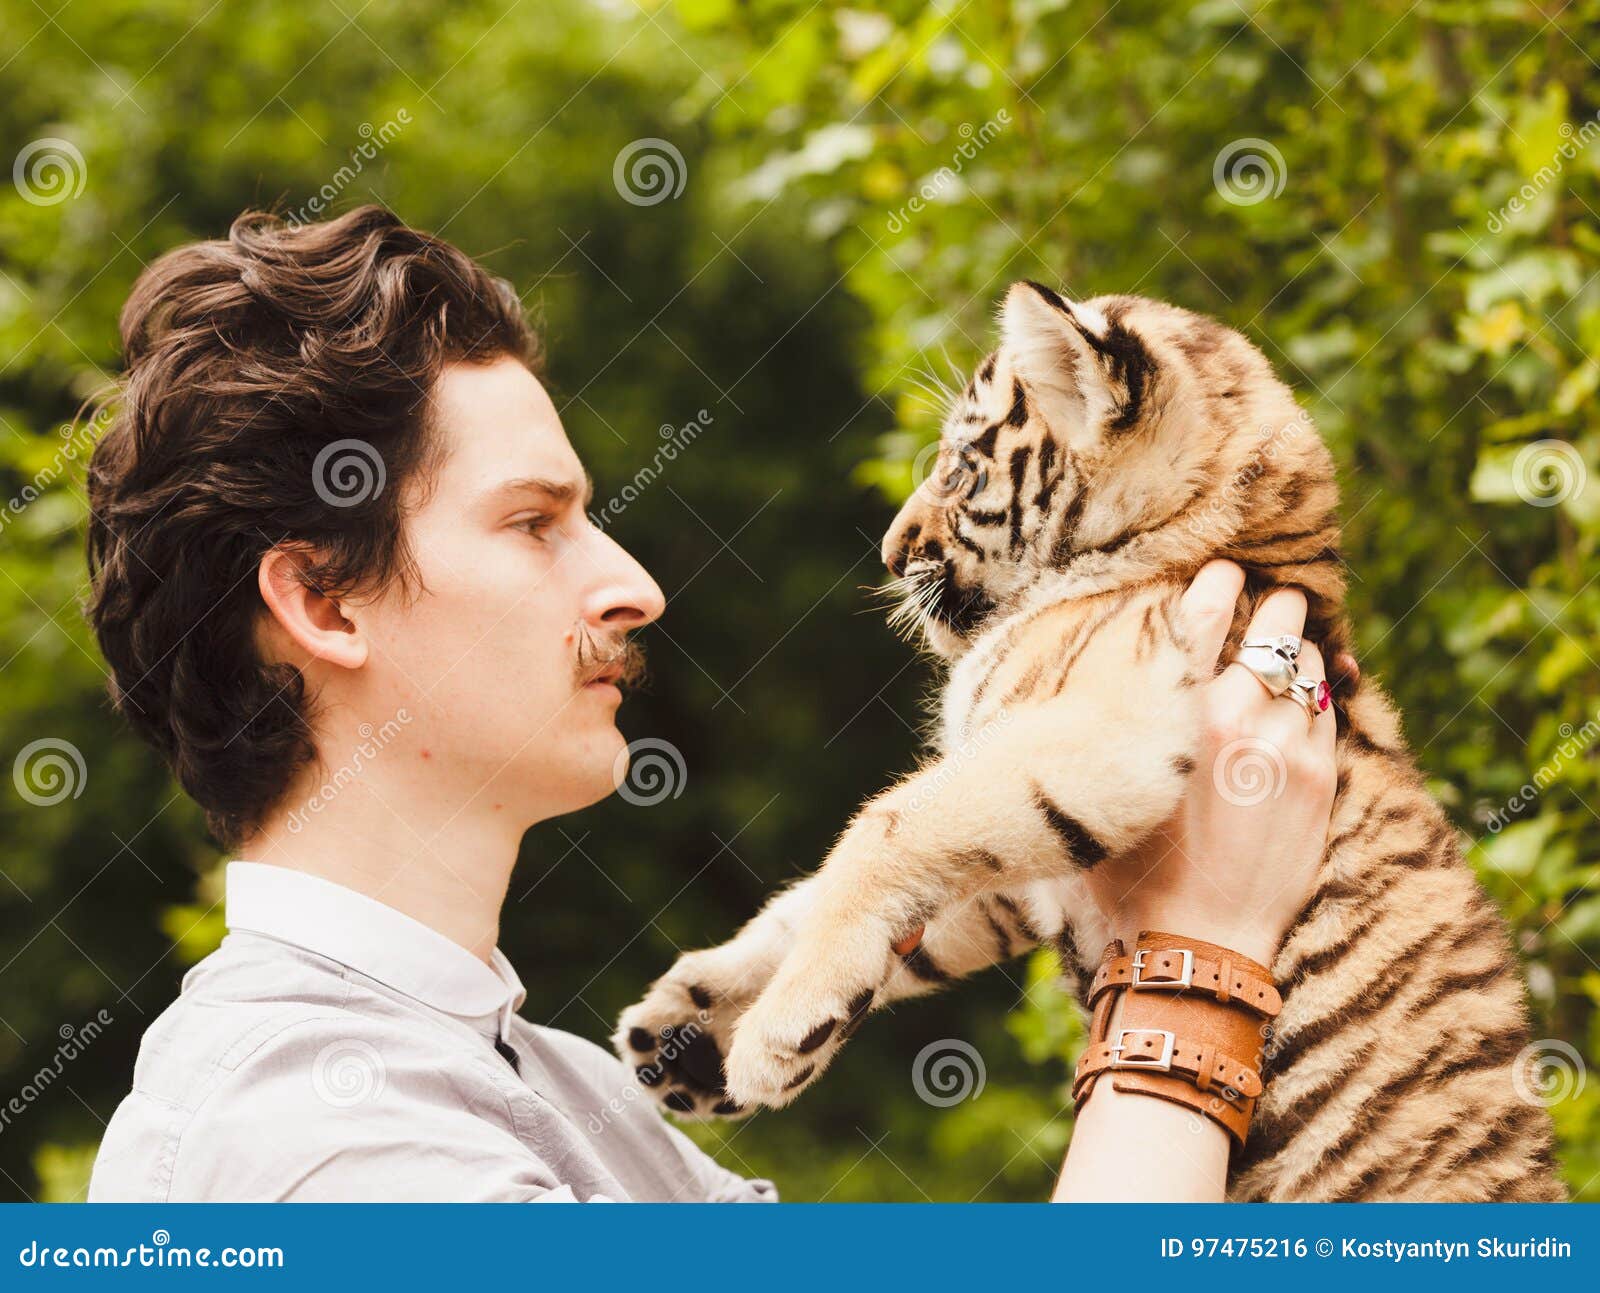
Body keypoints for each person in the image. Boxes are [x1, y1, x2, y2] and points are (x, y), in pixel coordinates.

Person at [84, 206, 1337, 1203]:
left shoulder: (572, 1098)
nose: (633, 588)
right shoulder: (315, 1134)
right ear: (323, 603)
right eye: (534, 524)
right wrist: (1194, 976)